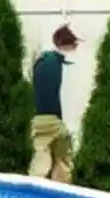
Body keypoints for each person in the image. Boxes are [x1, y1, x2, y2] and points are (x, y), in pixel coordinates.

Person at [29, 25, 80, 183]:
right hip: (50, 117)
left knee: (44, 151)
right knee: (61, 157)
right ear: (67, 45)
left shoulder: (43, 61)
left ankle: (37, 182)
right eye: (74, 46)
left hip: (38, 117)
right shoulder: (53, 61)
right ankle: (59, 186)